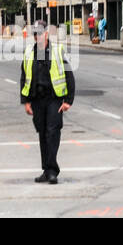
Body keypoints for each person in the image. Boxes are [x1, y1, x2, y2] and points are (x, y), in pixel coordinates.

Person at [18, 20, 75, 185]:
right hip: (37, 100)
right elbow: (24, 77)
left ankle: (52, 171)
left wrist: (68, 100)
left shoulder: (57, 51)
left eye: (41, 33)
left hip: (54, 99)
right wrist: (26, 101)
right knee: (42, 133)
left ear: (47, 34)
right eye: (35, 33)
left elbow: (69, 75)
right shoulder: (29, 52)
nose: (38, 36)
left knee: (52, 133)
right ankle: (46, 169)